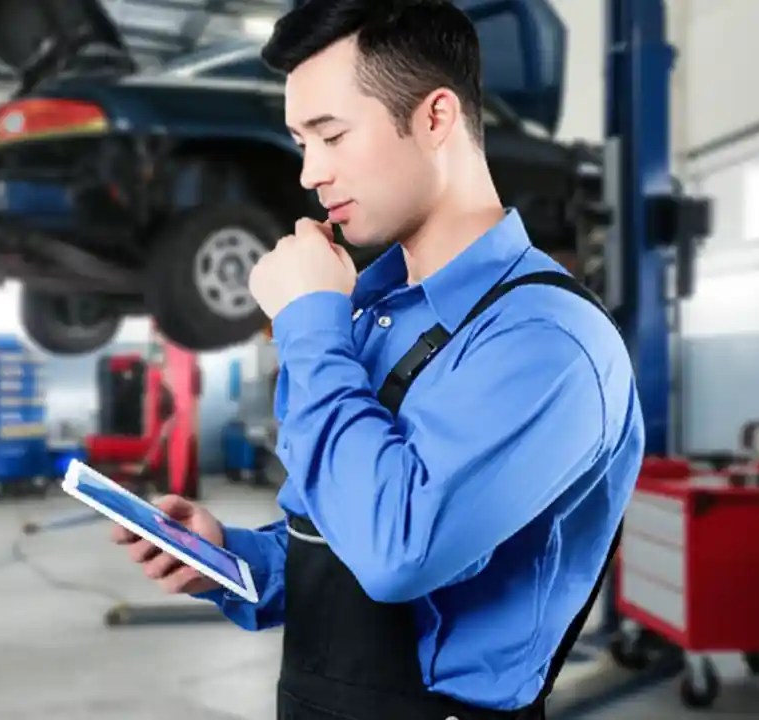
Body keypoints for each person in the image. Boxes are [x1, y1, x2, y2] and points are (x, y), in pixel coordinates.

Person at [111, 1, 645, 718]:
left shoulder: (549, 344)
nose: (308, 174)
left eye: (331, 137)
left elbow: (400, 552)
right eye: (301, 141)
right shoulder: (370, 311)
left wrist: (307, 324)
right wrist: (228, 559)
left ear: (435, 118)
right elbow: (336, 531)